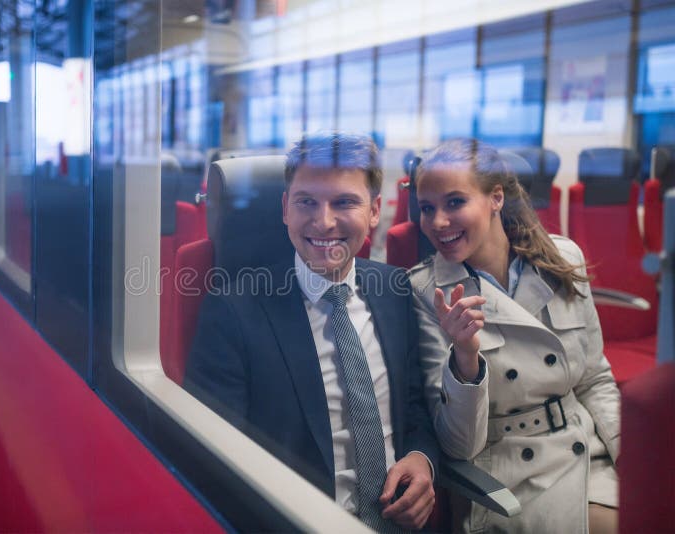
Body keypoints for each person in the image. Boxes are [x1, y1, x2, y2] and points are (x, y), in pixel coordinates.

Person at [185, 133, 439, 531]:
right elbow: (215, 459)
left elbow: (416, 407)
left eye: (344, 202)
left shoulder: (396, 290)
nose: (323, 221)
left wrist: (422, 459)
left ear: (374, 211)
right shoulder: (233, 311)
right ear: (285, 208)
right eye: (306, 201)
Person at [409, 138, 620, 533]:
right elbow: (458, 446)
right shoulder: (426, 292)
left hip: (588, 453)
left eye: (455, 202)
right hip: (509, 476)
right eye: (426, 208)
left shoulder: (562, 259)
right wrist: (465, 359)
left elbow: (594, 378)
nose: (438, 222)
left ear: (496, 198)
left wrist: (634, 457)